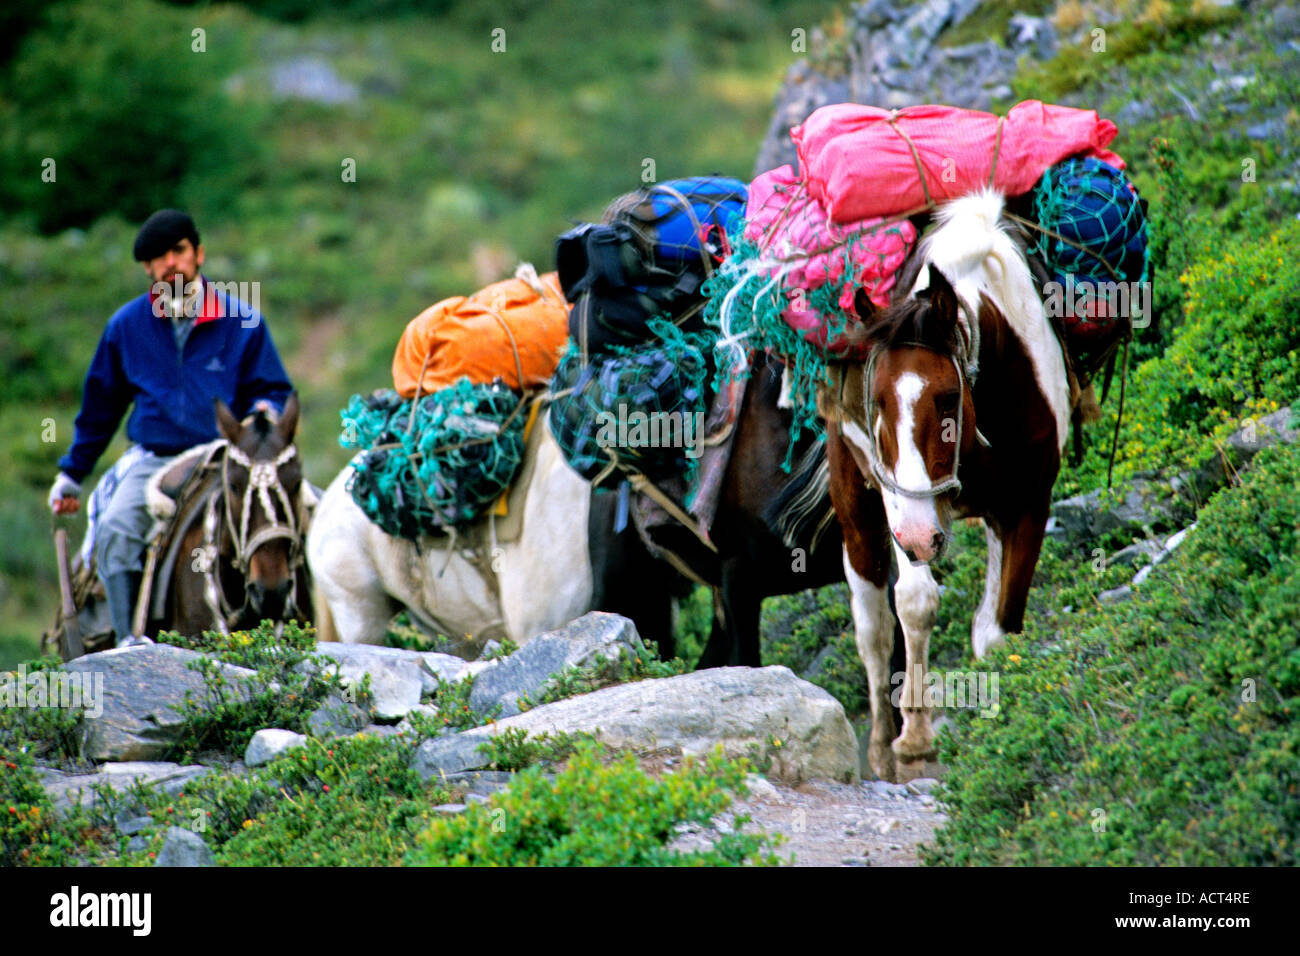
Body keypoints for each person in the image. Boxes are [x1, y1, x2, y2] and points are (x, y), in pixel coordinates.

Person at [48, 209, 293, 647]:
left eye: (178, 251)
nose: (171, 264)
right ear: (148, 269)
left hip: (224, 455)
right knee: (116, 528)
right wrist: (72, 473)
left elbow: (274, 388)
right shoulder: (126, 327)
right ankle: (128, 645)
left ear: (198, 254)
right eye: (159, 258)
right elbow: (100, 408)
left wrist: (263, 410)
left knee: (300, 511)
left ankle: (308, 627)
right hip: (155, 458)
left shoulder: (243, 320)